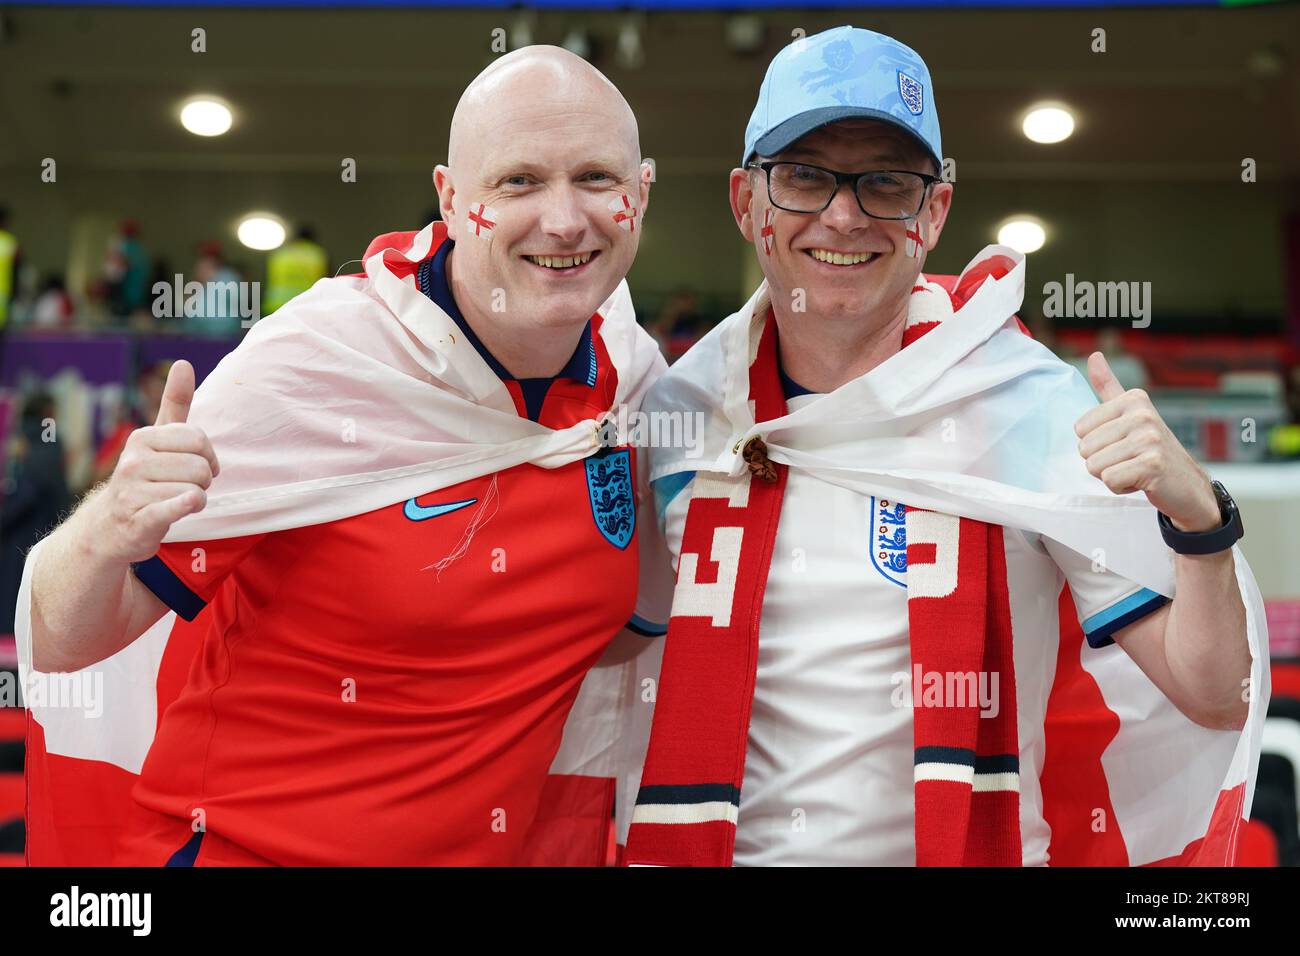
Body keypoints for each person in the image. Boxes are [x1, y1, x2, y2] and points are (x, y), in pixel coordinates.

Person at [624, 26, 1269, 867]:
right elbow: (597, 671)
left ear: (934, 210)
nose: (844, 215)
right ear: (747, 203)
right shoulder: (676, 417)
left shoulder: (1029, 410)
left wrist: (1200, 525)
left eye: (886, 182)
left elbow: (1215, 695)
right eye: (806, 178)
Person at [18, 45, 671, 866]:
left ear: (641, 193)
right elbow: (68, 641)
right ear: (449, 195)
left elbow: (613, 632)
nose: (564, 218)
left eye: (597, 179)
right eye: (518, 182)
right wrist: (106, 525)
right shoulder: (313, 366)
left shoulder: (639, 387)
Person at [264, 225, 329, 315]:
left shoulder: (281, 253)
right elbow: (326, 278)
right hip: (305, 302)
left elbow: (269, 276)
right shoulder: (317, 254)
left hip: (277, 302)